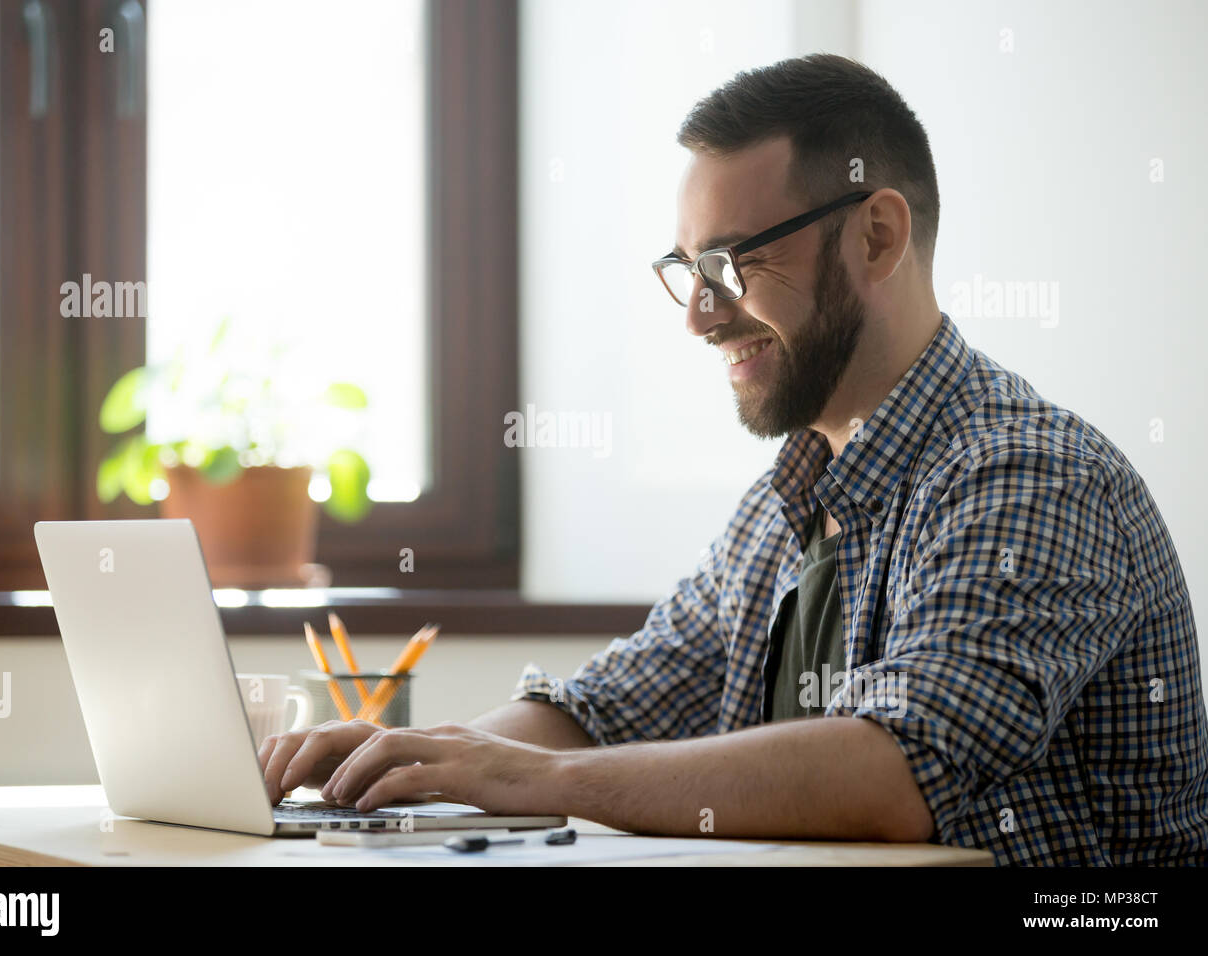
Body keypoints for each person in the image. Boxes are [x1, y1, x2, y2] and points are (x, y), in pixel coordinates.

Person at [259, 54, 1208, 866]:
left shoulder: (1030, 475)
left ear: (877, 236)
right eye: (687, 269)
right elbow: (606, 711)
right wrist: (410, 757)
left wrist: (530, 779)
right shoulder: (783, 504)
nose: (700, 314)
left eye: (733, 262)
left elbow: (901, 769)